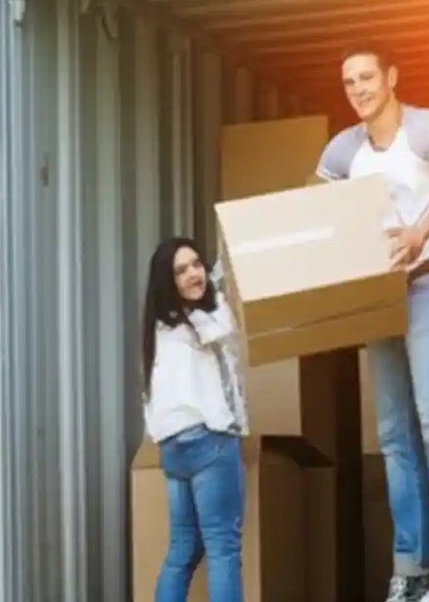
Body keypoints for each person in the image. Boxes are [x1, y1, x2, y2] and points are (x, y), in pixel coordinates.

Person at [315, 43, 429, 602]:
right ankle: (409, 568)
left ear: (390, 77)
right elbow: (314, 214)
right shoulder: (344, 149)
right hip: (378, 291)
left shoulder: (424, 128)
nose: (358, 89)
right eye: (348, 82)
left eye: (366, 77)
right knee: (392, 436)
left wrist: (420, 232)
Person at [141, 236, 249, 602]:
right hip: (209, 439)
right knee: (223, 548)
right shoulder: (199, 319)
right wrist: (224, 283)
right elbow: (226, 326)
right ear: (167, 281)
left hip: (174, 448)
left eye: (196, 265)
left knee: (183, 549)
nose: (193, 274)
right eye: (181, 270)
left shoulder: (159, 327)